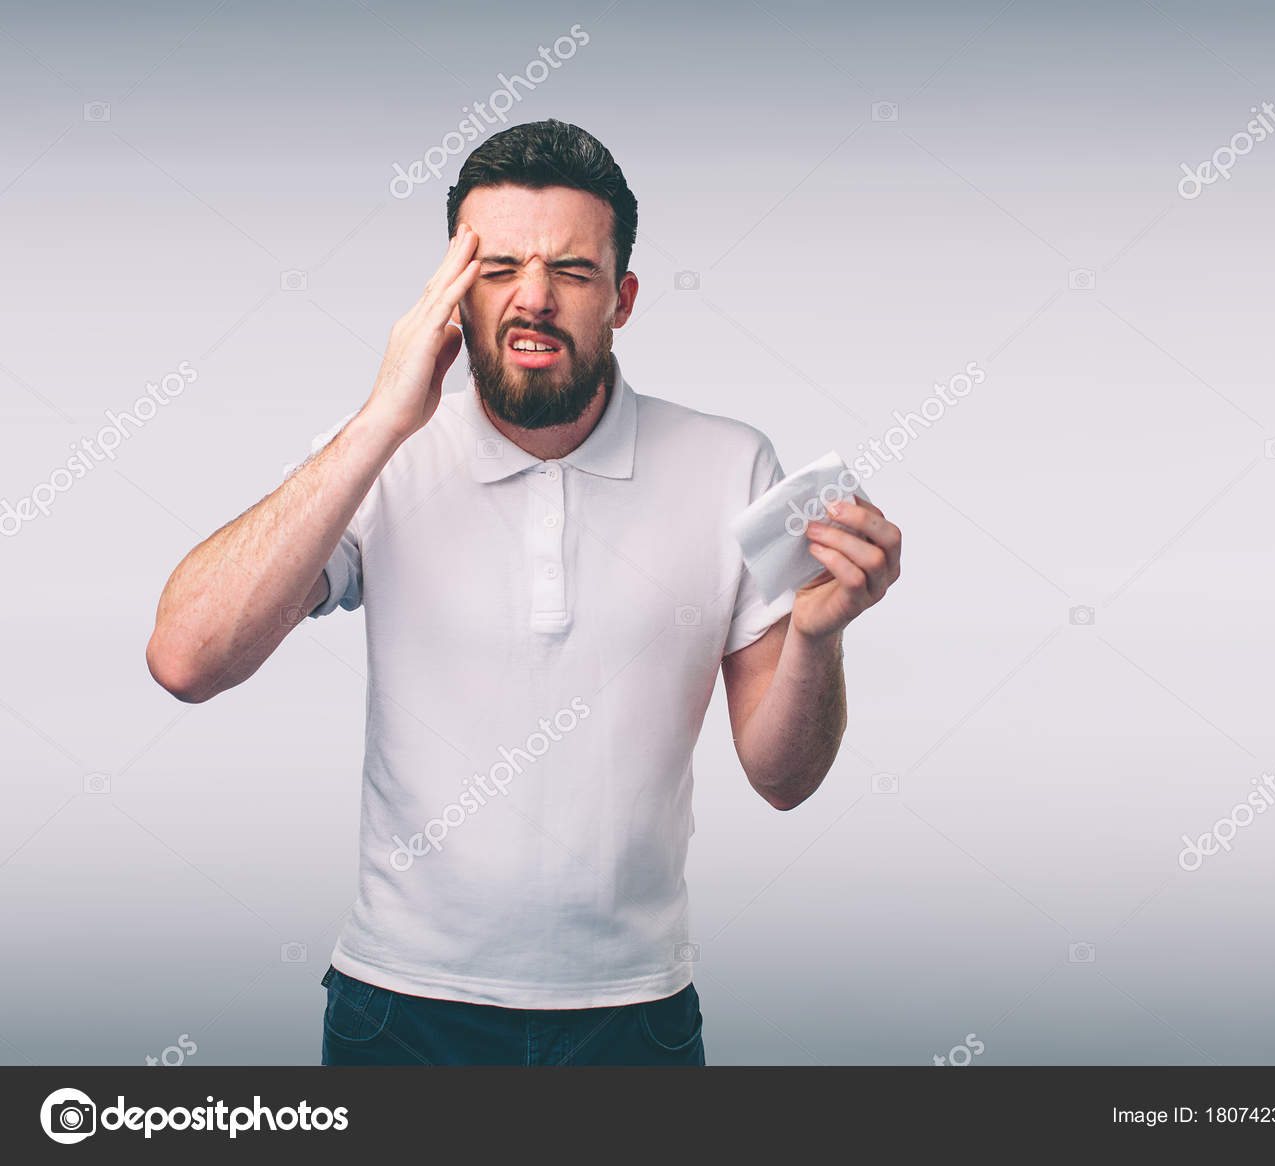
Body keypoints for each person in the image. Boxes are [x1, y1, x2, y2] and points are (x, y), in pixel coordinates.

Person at [144, 120, 903, 1065]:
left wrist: (820, 639)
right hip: (401, 1012)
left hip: (635, 1017)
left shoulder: (732, 464)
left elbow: (783, 780)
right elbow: (186, 660)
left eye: (572, 272)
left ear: (622, 299)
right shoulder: (380, 455)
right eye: (498, 268)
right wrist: (381, 419)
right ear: (452, 296)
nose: (533, 298)